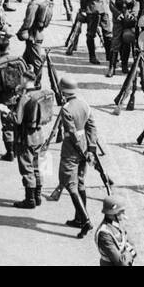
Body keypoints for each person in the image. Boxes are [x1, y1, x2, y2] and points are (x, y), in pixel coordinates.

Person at [57, 75, 102, 238]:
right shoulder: (84, 104)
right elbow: (92, 128)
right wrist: (90, 149)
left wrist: (80, 150)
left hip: (72, 148)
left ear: (62, 91)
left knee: (70, 184)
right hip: (85, 146)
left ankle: (85, 220)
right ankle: (78, 218)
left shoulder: (67, 108)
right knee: (81, 183)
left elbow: (71, 133)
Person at [94, 196, 135, 266]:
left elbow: (131, 243)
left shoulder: (117, 223)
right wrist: (130, 252)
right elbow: (122, 263)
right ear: (113, 214)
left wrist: (128, 253)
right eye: (121, 211)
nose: (124, 214)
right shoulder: (104, 233)